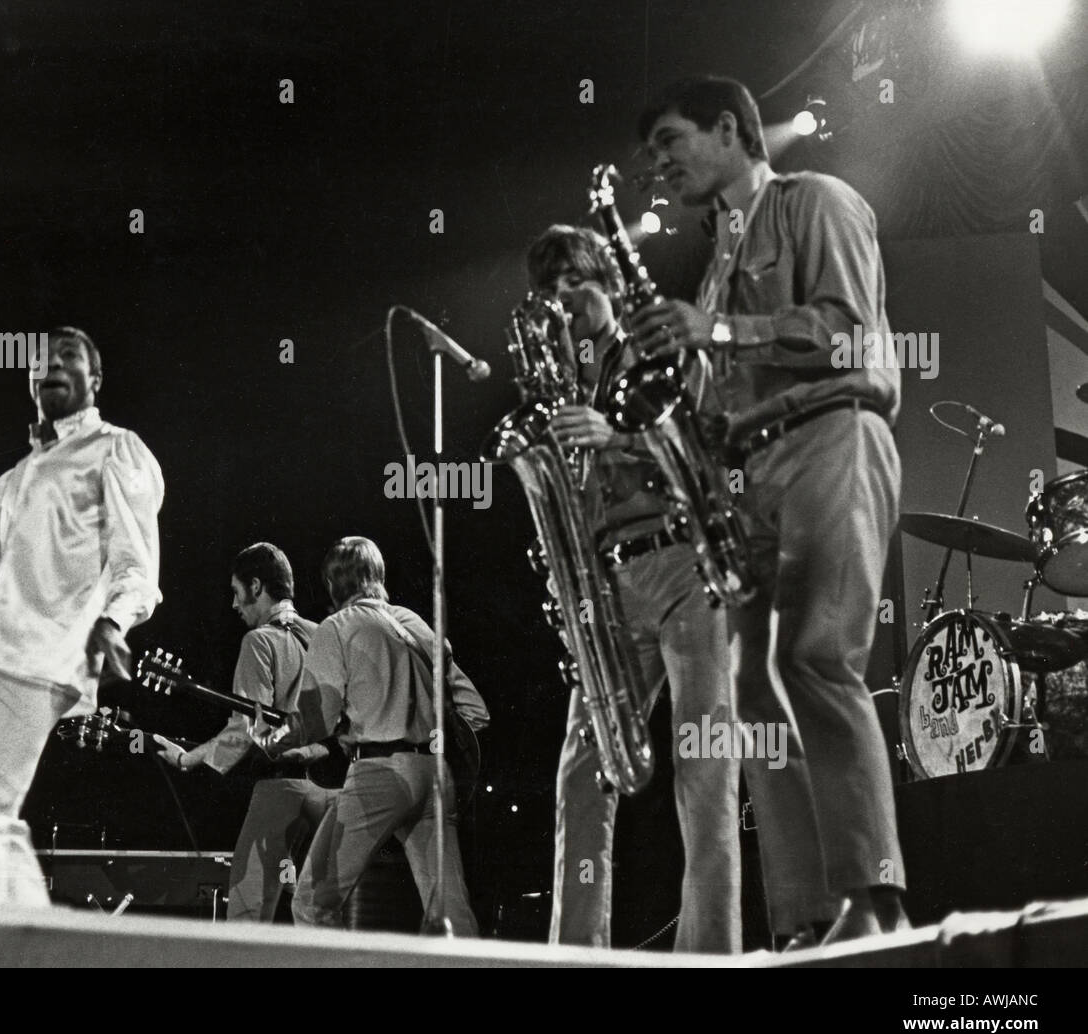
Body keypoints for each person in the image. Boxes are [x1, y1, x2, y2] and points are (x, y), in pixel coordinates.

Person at [634, 75, 907, 945]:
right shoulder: (717, 261)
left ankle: (874, 900)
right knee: (752, 690)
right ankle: (806, 918)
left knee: (817, 660)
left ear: (729, 128)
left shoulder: (817, 200)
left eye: (671, 141)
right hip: (751, 476)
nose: (661, 163)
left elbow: (850, 332)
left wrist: (716, 334)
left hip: (832, 433)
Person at [0, 325, 164, 907]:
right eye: (40, 361)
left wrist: (113, 623)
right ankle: (36, 941)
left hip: (47, 654)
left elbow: (136, 564)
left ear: (95, 378)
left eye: (68, 355)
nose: (50, 365)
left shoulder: (116, 450)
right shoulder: (15, 479)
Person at [533, 225, 741, 953]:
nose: (565, 305)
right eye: (551, 295)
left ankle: (709, 952)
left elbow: (703, 442)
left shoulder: (653, 347)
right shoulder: (567, 379)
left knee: (703, 767)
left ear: (611, 285)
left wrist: (611, 438)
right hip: (608, 587)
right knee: (580, 773)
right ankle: (576, 951)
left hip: (683, 564)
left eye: (576, 286)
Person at [255, 537, 489, 934]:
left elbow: (315, 717)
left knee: (313, 902)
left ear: (332, 584)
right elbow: (475, 712)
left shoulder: (338, 627)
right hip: (435, 776)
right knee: (450, 914)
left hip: (379, 774)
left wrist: (273, 741)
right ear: (377, 577)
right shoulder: (417, 625)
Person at [153, 542, 339, 923]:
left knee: (246, 913)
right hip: (332, 788)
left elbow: (245, 730)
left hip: (280, 789)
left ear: (257, 587)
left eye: (237, 593)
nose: (235, 605)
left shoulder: (259, 641)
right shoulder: (324, 635)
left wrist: (188, 758)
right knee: (320, 912)